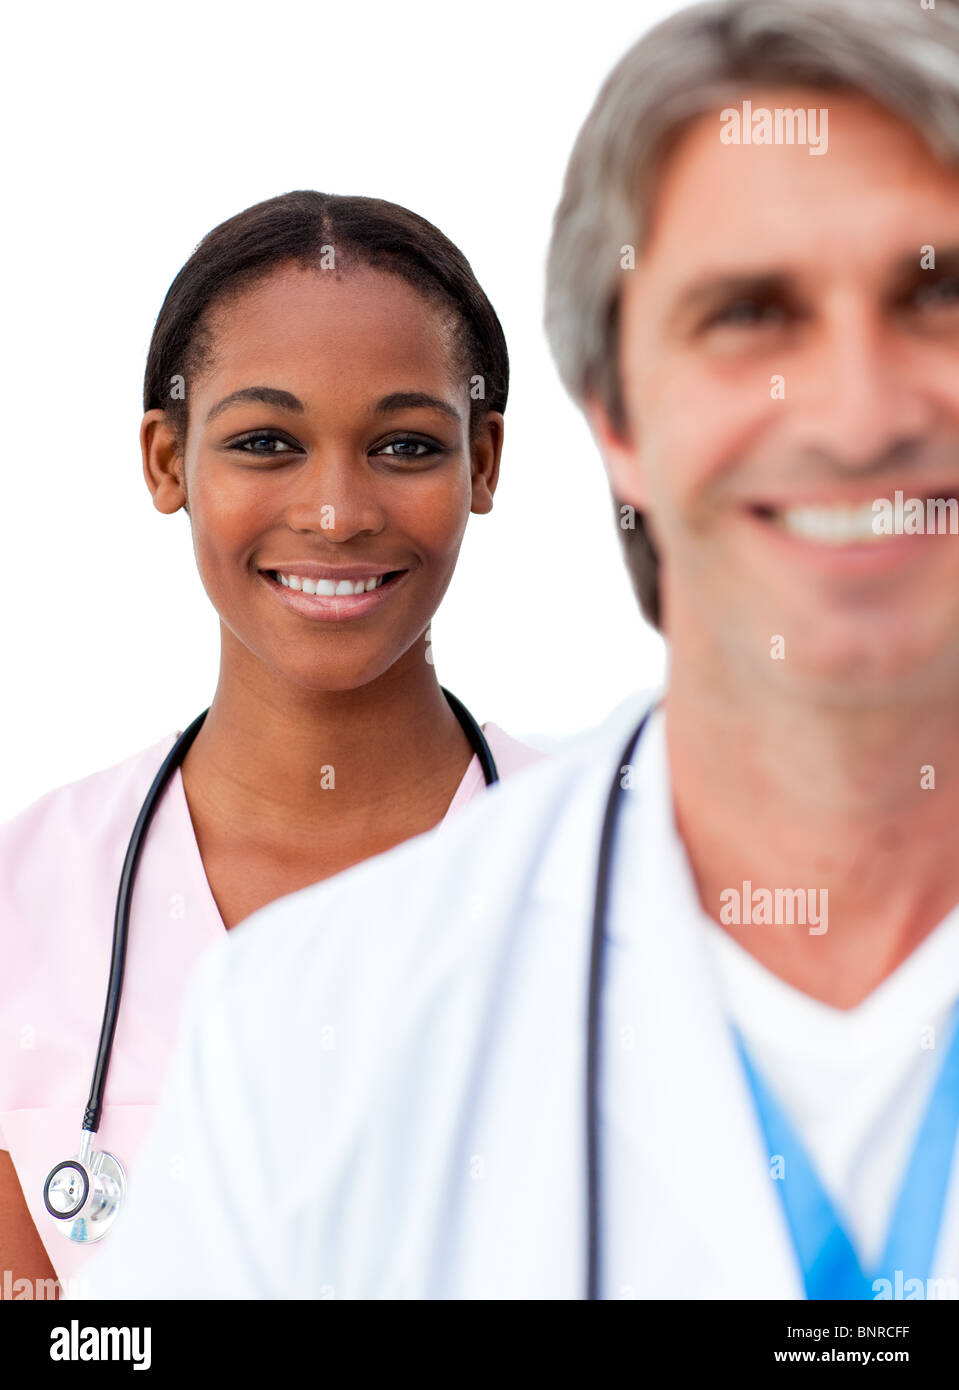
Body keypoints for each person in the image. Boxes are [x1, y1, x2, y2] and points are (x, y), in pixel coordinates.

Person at [84, 0, 959, 1300]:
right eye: (748, 314)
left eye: (934, 296)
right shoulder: (300, 1028)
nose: (851, 408)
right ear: (612, 413)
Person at [0, 190, 545, 1295]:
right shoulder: (27, 902)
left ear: (482, 463)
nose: (337, 511)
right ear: (167, 462)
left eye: (404, 444)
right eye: (265, 441)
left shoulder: (630, 878)